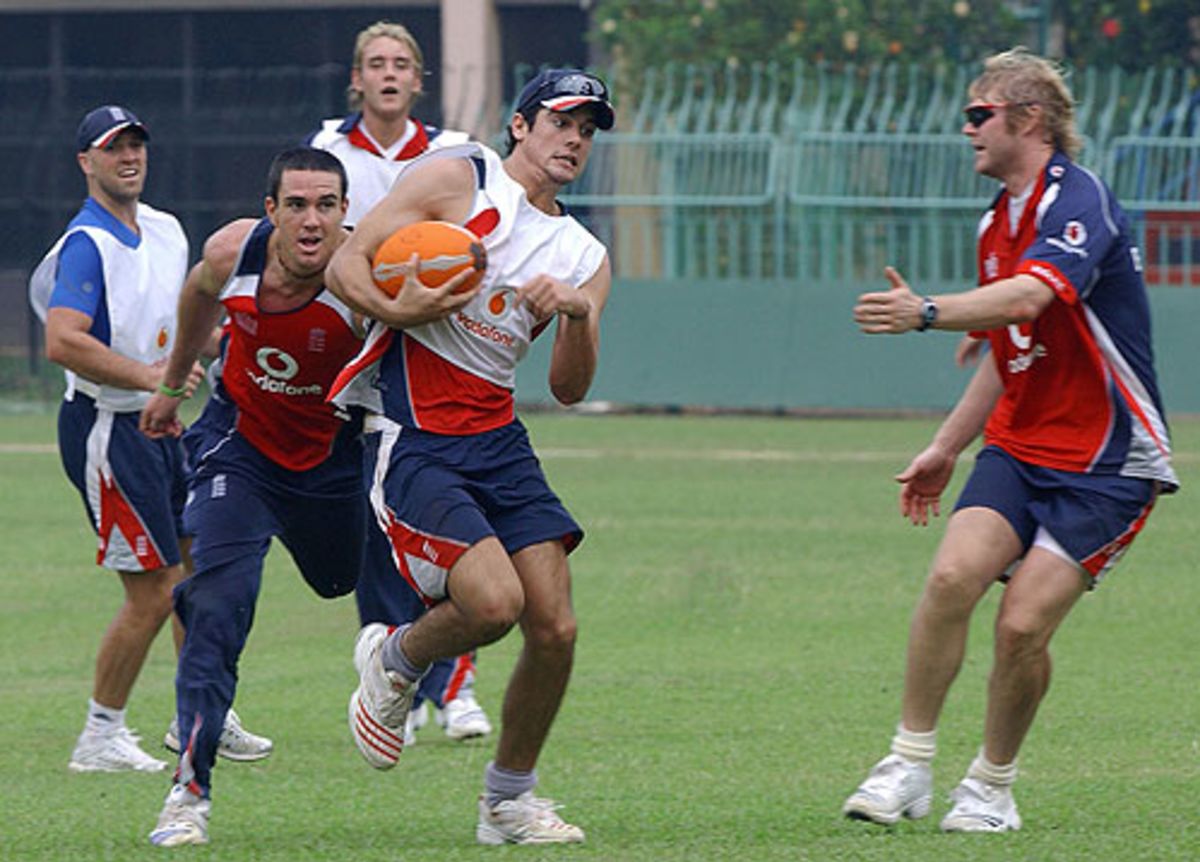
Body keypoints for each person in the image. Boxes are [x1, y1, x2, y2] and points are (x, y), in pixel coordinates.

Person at [844, 47, 1179, 833]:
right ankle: (907, 764)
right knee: (952, 577)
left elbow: (1028, 296)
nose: (967, 131)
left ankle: (992, 787)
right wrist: (946, 447)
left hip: (1109, 460)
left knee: (1022, 625)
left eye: (977, 114)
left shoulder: (1079, 200)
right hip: (1021, 446)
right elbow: (1012, 343)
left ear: (1029, 118)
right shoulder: (996, 220)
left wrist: (929, 312)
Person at [324, 67, 615, 845]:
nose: (575, 140)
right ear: (521, 125)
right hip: (413, 432)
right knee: (494, 604)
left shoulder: (583, 252)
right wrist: (399, 306)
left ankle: (507, 802)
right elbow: (346, 265)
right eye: (562, 122)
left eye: (587, 130)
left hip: (498, 437)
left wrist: (579, 316)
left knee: (555, 628)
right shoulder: (461, 176)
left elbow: (570, 388)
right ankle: (395, 657)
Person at [28, 105, 269, 774]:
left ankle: (202, 714)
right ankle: (99, 736)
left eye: (136, 144)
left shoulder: (163, 229)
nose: (128, 157)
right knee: (155, 589)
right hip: (109, 428)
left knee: (202, 571)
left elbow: (184, 319)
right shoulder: (86, 244)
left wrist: (221, 341)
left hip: (161, 423)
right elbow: (63, 341)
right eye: (112, 148)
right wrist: (156, 376)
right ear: (86, 162)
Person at [139, 147, 366, 847]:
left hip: (332, 467)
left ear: (344, 215)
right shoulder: (233, 253)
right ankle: (189, 792)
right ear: (270, 211)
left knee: (338, 582)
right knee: (216, 604)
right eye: (296, 204)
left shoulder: (365, 280)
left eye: (326, 205)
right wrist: (173, 384)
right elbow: (197, 293)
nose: (310, 221)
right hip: (240, 448)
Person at [307, 19, 491, 747]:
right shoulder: (328, 152)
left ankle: (459, 686)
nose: (387, 74)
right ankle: (396, 686)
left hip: (438, 355)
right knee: (378, 529)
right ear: (356, 79)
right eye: (375, 64)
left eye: (401, 64)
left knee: (461, 517)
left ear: (419, 79)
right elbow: (318, 245)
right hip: (358, 355)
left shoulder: (451, 158)